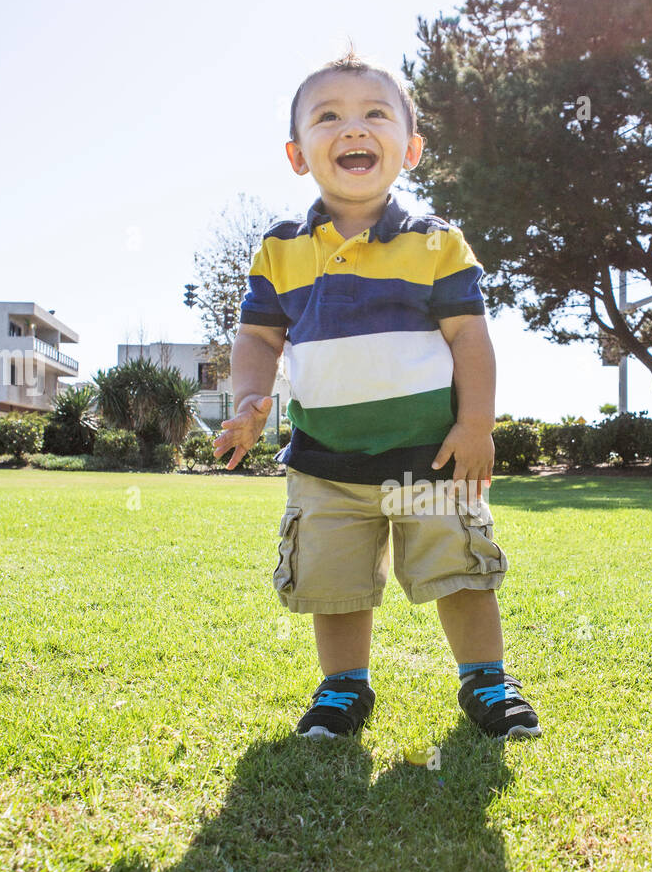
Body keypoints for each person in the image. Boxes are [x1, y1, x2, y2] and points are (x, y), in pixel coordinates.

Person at [214, 50, 541, 743]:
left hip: (432, 459)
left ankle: (485, 679)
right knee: (333, 580)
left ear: (411, 148)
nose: (352, 127)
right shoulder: (280, 250)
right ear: (298, 154)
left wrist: (477, 424)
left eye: (374, 113)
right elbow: (257, 340)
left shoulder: (437, 244)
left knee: (460, 570)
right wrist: (248, 400)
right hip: (325, 464)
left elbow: (471, 340)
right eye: (327, 116)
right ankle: (343, 690)